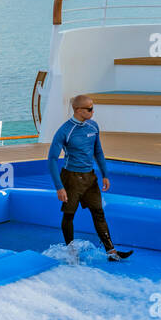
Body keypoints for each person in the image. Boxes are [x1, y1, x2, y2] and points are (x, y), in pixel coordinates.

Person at [48, 94, 133, 262]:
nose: (93, 111)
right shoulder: (65, 130)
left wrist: (105, 175)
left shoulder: (93, 126)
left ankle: (111, 252)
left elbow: (98, 152)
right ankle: (71, 252)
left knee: (99, 213)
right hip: (71, 177)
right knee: (69, 215)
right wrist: (59, 187)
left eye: (93, 107)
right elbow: (51, 159)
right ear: (78, 110)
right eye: (89, 109)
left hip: (90, 178)